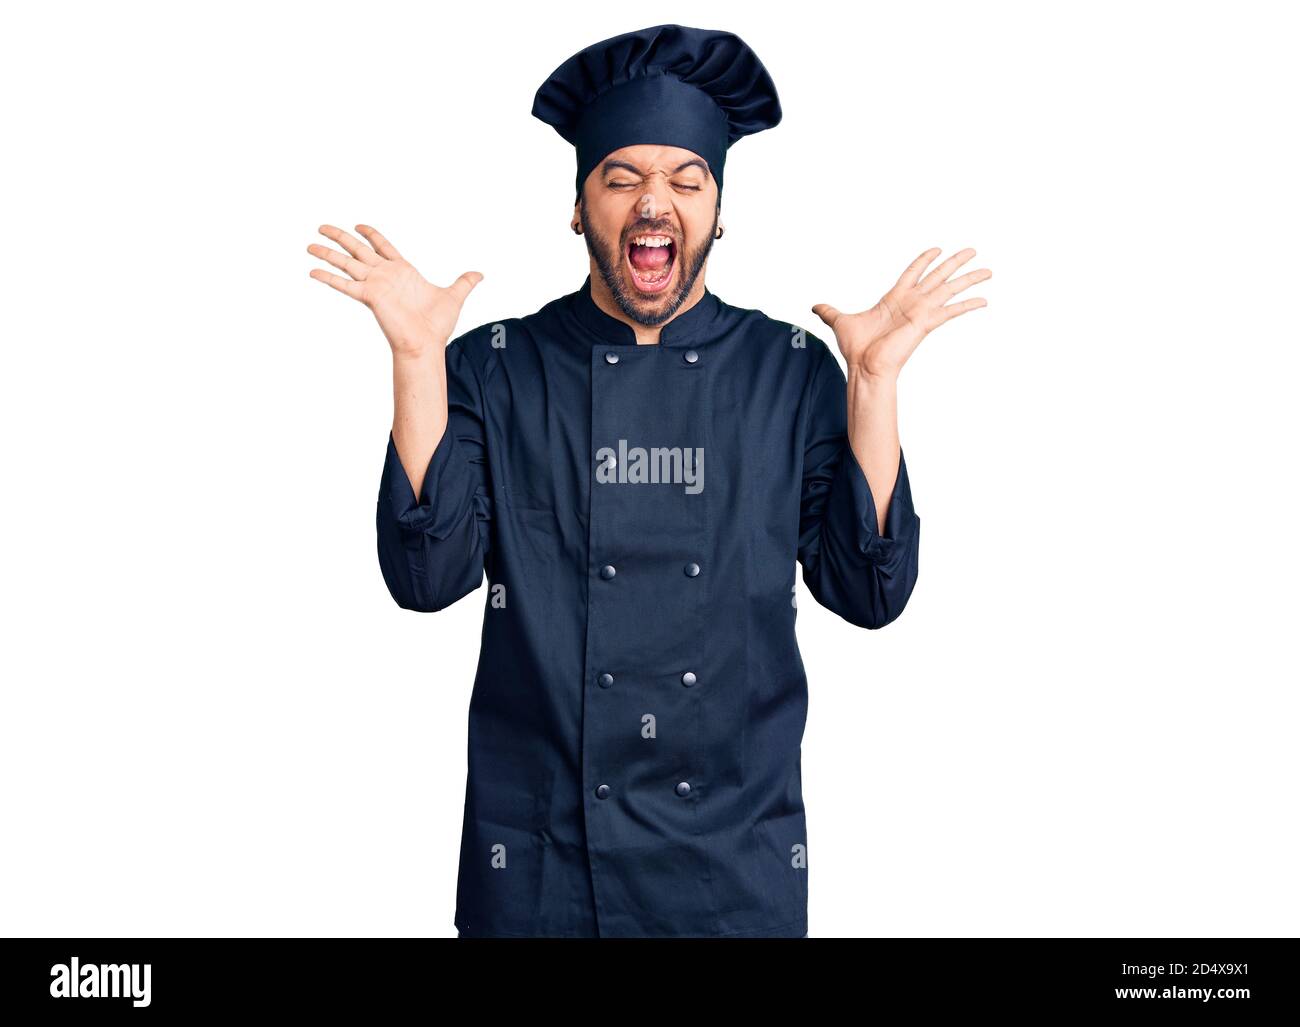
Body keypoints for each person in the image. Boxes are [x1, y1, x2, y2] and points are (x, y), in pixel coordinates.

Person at [307, 23, 990, 938]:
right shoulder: (492, 369)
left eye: (686, 179)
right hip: (542, 871)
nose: (653, 204)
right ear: (580, 206)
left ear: (718, 212)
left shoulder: (791, 373)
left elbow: (869, 591)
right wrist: (416, 360)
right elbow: (426, 581)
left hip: (731, 877)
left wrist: (873, 383)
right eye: (622, 177)